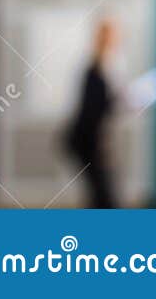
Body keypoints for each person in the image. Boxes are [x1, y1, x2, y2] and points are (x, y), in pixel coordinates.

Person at [63, 19, 119, 208]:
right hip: (85, 139)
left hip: (88, 139)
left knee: (100, 196)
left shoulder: (102, 67)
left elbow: (101, 106)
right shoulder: (94, 69)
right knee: (103, 197)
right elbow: (93, 110)